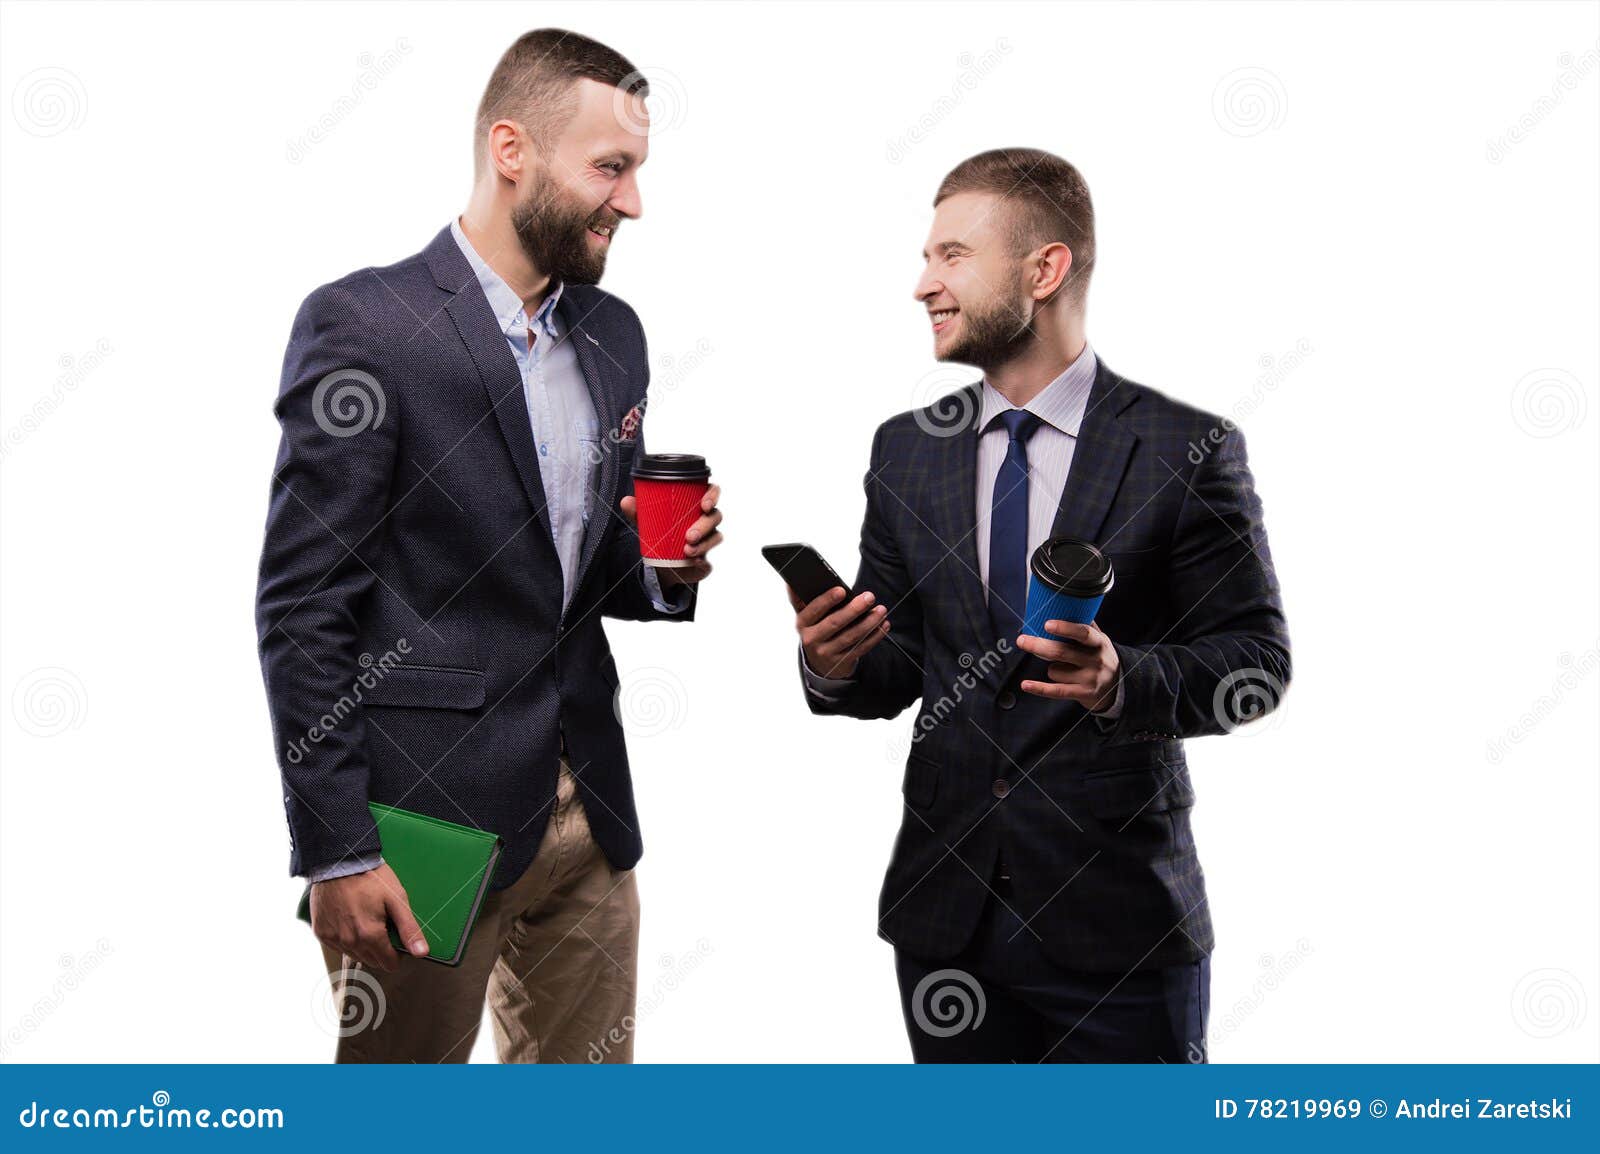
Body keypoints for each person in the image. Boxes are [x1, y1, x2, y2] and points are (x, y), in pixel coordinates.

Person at [256, 29, 722, 1063]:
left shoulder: (614, 333)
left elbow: (573, 567)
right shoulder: (364, 325)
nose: (633, 201)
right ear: (512, 150)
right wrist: (336, 847)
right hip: (422, 826)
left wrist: (664, 568)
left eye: (637, 169)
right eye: (610, 168)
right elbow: (302, 606)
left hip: (589, 812)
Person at [788, 148, 1289, 1062]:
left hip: (1119, 928)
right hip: (948, 925)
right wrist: (834, 661)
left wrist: (1121, 680)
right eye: (927, 258)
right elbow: (900, 668)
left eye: (952, 256)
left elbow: (1256, 663)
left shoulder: (1182, 447)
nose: (923, 285)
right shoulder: (907, 451)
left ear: (1044, 270)